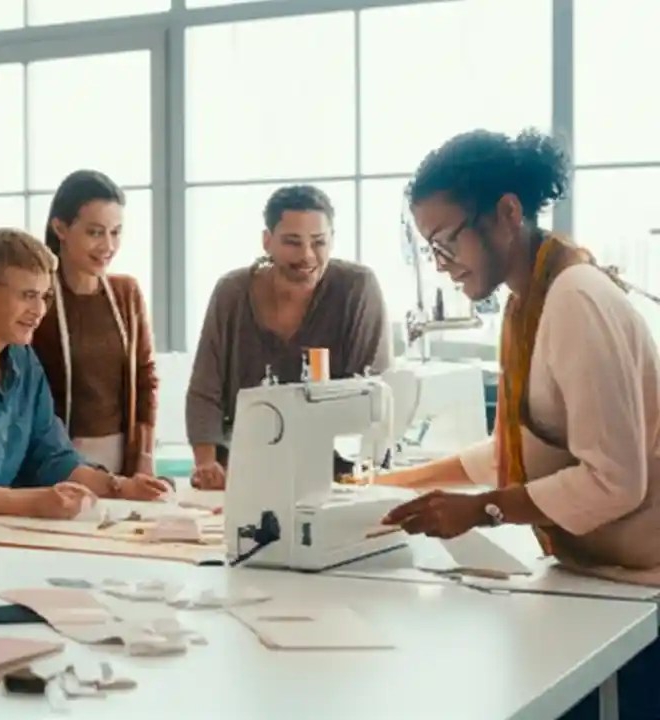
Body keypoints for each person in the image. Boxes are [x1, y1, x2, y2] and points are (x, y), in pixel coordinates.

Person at [375, 129, 660, 720]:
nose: (441, 264)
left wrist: (482, 509)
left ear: (506, 213)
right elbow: (523, 447)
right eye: (430, 248)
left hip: (641, 578)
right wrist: (386, 484)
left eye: (447, 240)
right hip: (602, 575)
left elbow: (614, 481)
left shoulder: (575, 298)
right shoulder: (527, 300)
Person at [0, 228, 171, 519]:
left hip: (1, 532)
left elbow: (54, 458)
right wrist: (31, 503)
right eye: (28, 296)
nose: (39, 311)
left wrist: (120, 486)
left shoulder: (24, 361)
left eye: (45, 297)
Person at [186, 185, 391, 490]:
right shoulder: (232, 292)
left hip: (337, 473)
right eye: (292, 242)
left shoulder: (357, 288)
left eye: (319, 242)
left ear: (332, 240)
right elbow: (206, 388)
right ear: (267, 241)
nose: (307, 255)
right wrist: (206, 463)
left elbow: (370, 388)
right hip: (245, 467)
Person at [31, 170, 161, 481]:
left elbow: (145, 379)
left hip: (123, 461)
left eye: (116, 233)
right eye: (95, 232)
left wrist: (144, 456)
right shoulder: (39, 299)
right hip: (56, 462)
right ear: (60, 228)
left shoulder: (126, 293)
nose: (108, 246)